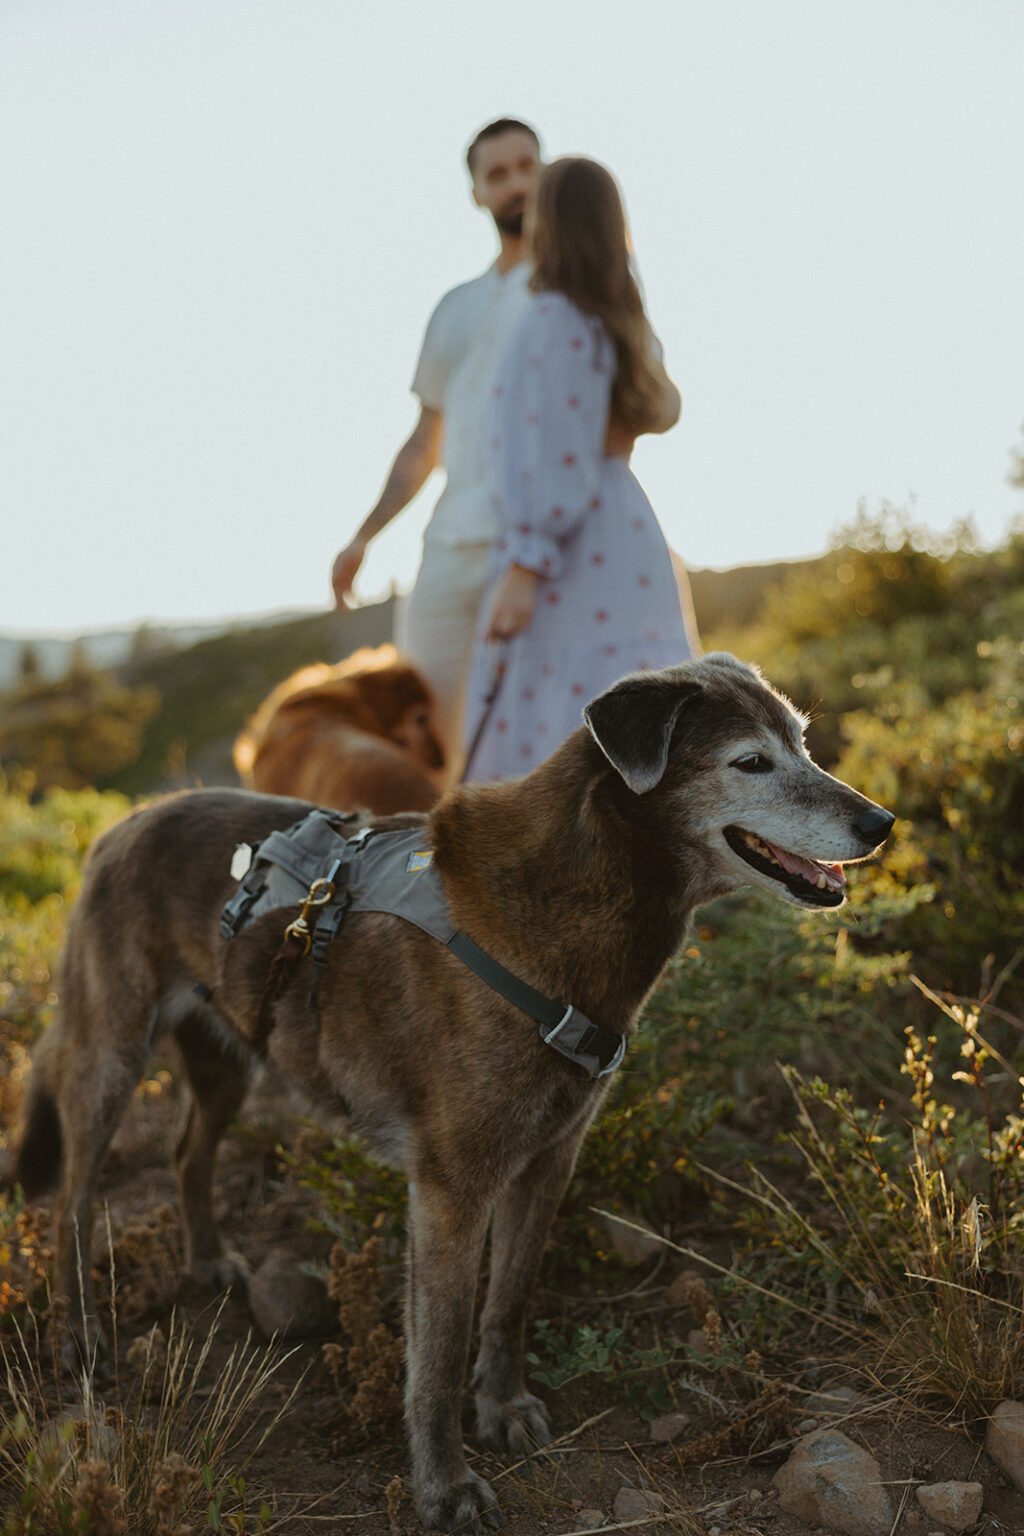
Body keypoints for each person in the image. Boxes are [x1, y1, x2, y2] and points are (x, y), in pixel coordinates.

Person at [462, 156, 699, 783]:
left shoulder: (554, 318)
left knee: (562, 718)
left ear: (550, 222)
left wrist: (523, 563)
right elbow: (661, 409)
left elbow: (554, 461)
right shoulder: (613, 315)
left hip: (573, 549)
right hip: (624, 525)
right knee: (637, 716)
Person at [330, 118, 543, 773]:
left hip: (537, 542)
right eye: (497, 173)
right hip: (449, 545)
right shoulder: (455, 308)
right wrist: (364, 535)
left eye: (526, 166)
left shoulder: (576, 284)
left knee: (541, 735)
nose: (515, 184)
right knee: (425, 734)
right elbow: (426, 438)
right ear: (476, 193)